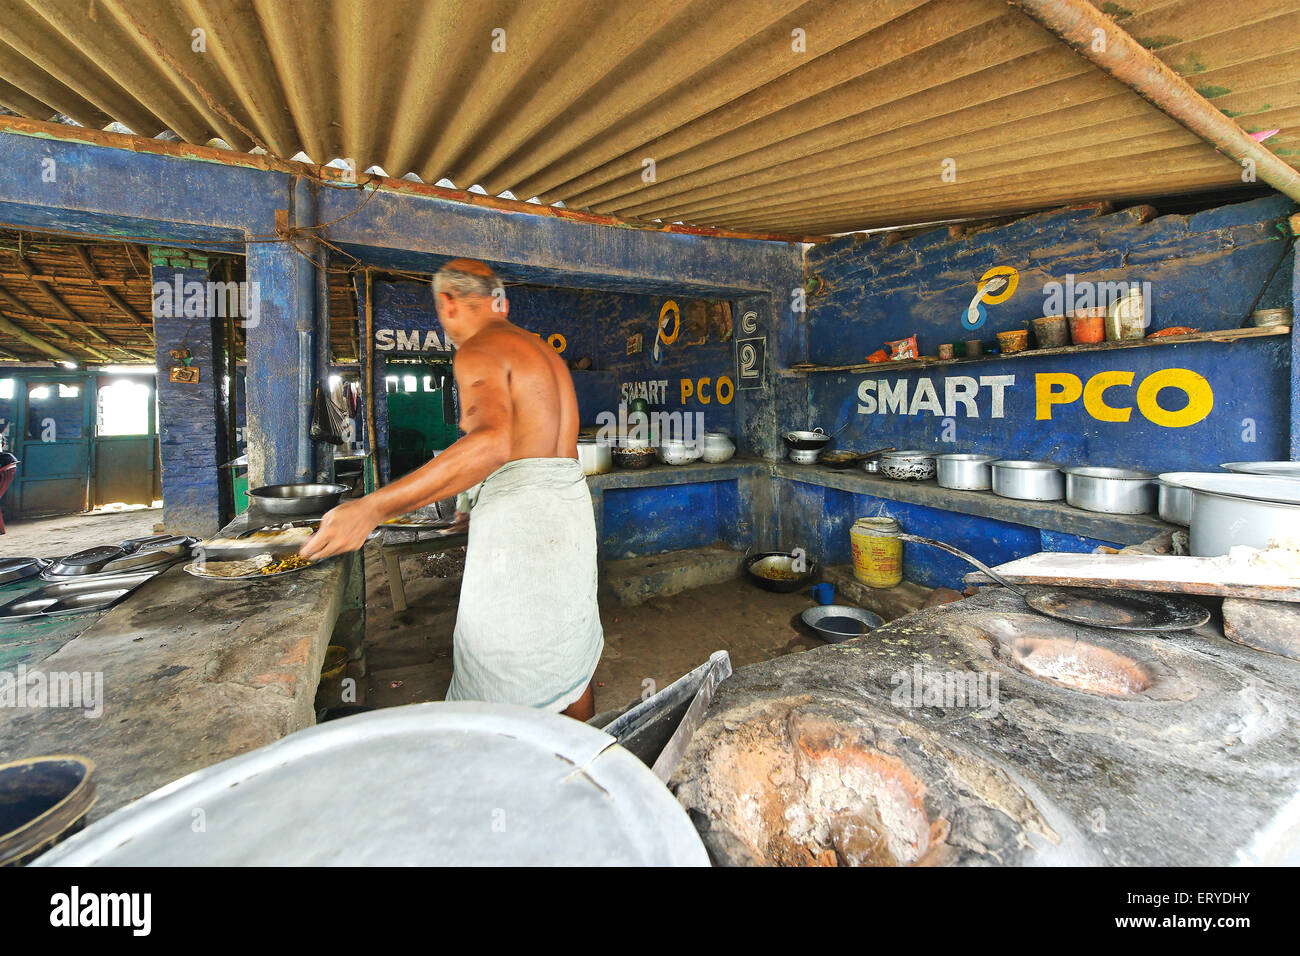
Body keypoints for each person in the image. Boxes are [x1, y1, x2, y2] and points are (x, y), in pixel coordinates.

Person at [300, 259, 603, 720]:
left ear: (447, 301)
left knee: (501, 657)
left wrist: (371, 508)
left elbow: (492, 443)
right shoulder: (544, 354)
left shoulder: (478, 348)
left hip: (523, 526)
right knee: (565, 639)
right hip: (569, 513)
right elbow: (526, 446)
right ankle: (583, 756)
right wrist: (467, 498)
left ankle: (494, 766)